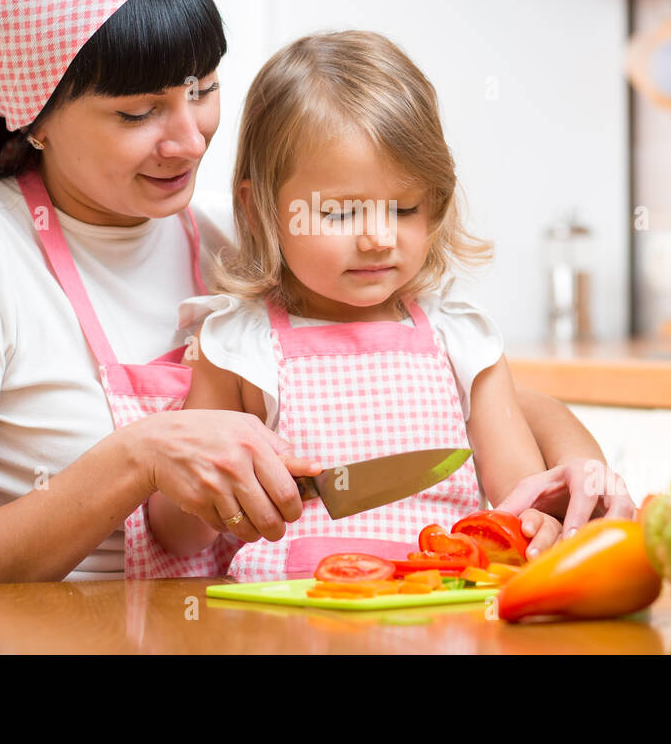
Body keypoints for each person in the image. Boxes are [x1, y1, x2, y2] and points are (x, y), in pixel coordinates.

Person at [0, 0, 632, 584]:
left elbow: (427, 386)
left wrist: (573, 468)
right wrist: (137, 457)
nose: (190, 137)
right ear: (36, 117)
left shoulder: (230, 251)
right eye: (138, 113)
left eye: (202, 90)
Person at [142, 31, 594, 580]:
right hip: (286, 622)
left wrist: (539, 527)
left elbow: (521, 503)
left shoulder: (464, 341)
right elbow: (176, 534)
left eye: (404, 208)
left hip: (442, 609)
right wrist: (215, 491)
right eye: (340, 215)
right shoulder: (237, 346)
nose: (379, 237)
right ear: (259, 210)